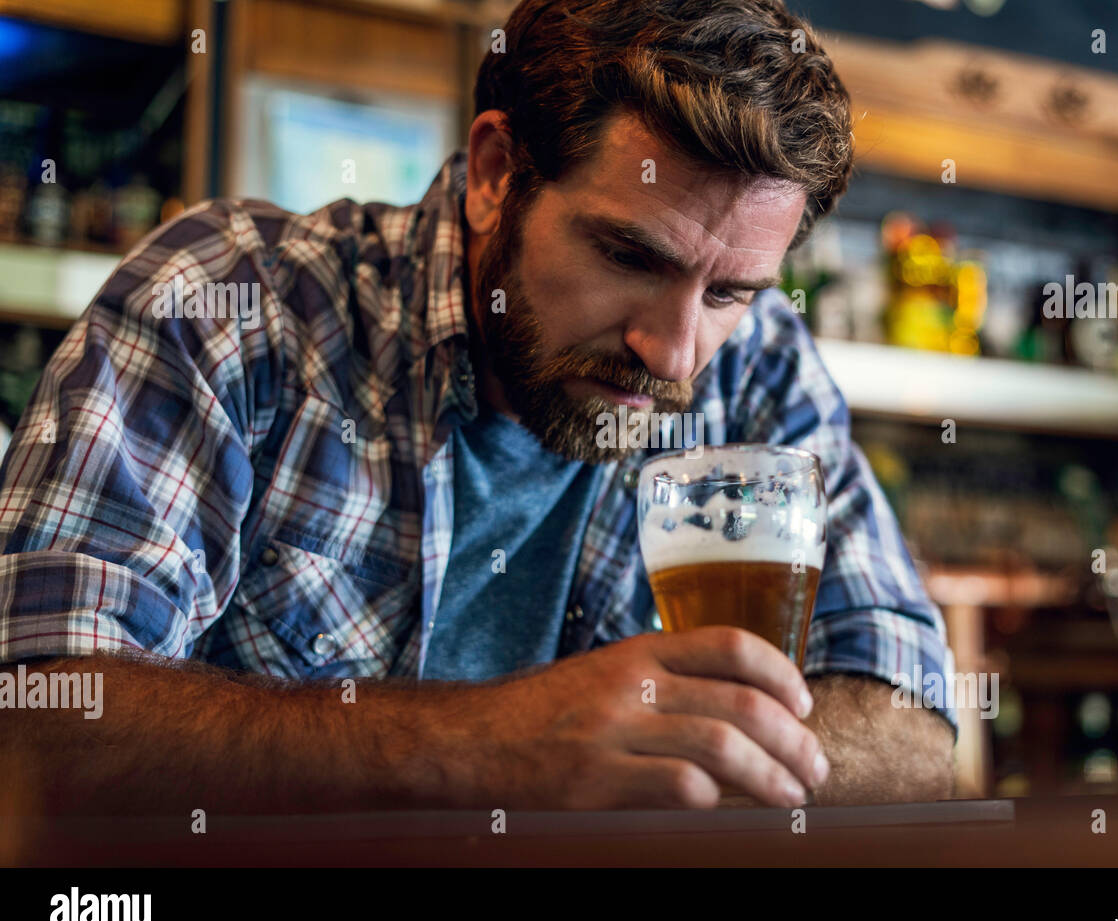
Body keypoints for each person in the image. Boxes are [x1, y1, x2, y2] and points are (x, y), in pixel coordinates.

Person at [0, 0, 956, 814]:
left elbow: (913, 731)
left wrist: (686, 759)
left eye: (729, 292)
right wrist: (484, 747)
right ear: (498, 173)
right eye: (630, 257)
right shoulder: (236, 302)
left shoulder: (760, 372)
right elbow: (33, 732)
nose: (673, 353)